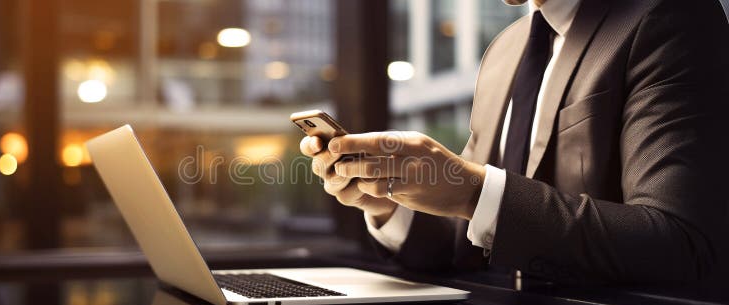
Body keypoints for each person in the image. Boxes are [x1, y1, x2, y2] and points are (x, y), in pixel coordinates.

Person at [300, 0, 729, 284]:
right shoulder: (506, 47)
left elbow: (680, 244)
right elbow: (467, 243)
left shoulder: (670, 15)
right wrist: (386, 202)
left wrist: (471, 191)